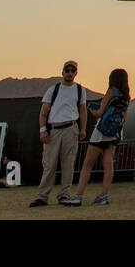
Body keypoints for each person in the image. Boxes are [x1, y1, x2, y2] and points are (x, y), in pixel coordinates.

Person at [62, 68, 130, 206]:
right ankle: (103, 195)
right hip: (115, 132)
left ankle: (78, 196)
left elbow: (100, 112)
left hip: (101, 131)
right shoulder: (126, 96)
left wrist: (92, 111)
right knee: (108, 163)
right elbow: (124, 118)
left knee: (88, 164)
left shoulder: (111, 91)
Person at [30, 59, 88, 207]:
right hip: (54, 129)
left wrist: (82, 129)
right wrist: (43, 130)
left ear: (76, 73)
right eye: (67, 70)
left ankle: (64, 195)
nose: (69, 73)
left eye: (72, 71)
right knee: (49, 164)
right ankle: (42, 196)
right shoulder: (53, 90)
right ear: (62, 72)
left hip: (71, 128)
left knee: (68, 163)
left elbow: (82, 110)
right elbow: (43, 112)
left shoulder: (80, 90)